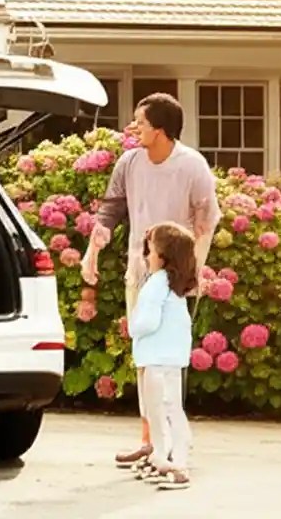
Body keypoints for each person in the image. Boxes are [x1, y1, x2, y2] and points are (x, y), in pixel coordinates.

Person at [82, 92, 219, 470]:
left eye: (141, 121)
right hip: (139, 276)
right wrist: (96, 245)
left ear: (160, 128)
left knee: (170, 363)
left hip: (176, 282)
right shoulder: (130, 162)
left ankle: (173, 444)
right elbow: (112, 207)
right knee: (144, 358)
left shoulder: (192, 166)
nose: (134, 127)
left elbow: (206, 221)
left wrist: (190, 276)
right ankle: (150, 441)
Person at [128, 221, 197, 490]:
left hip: (156, 360)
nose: (147, 257)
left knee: (158, 410)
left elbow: (147, 322)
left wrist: (134, 327)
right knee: (168, 408)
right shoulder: (175, 286)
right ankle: (164, 458)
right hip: (171, 360)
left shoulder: (157, 284)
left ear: (163, 256)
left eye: (151, 252)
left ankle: (176, 463)